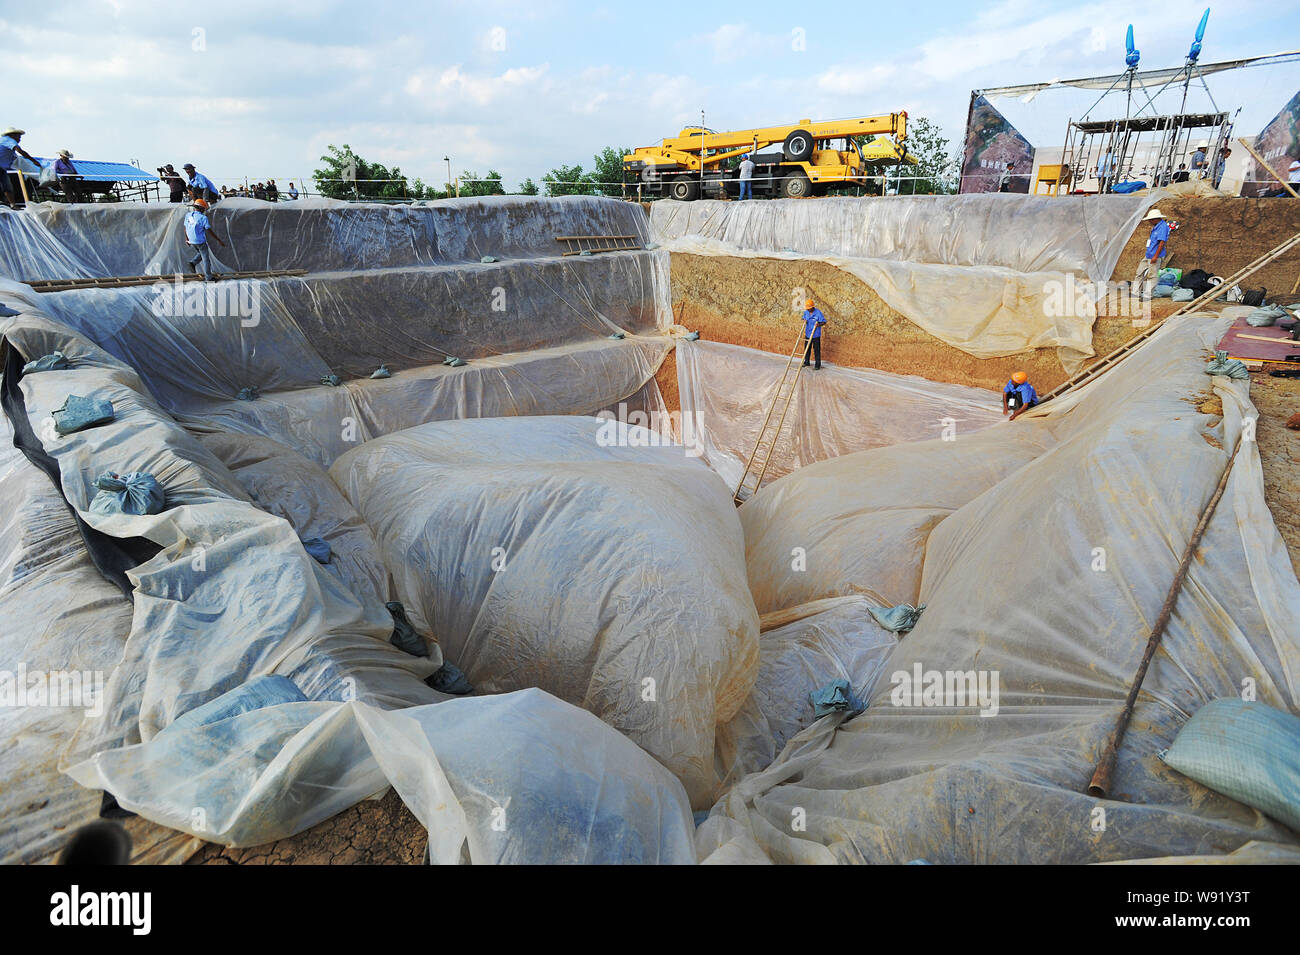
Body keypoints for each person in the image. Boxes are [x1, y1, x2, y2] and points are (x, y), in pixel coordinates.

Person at [184, 198, 226, 281]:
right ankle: (208, 277)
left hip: (191, 241)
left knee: (201, 253)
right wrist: (219, 240)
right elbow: (209, 230)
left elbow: (185, 227)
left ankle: (192, 263)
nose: (204, 210)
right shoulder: (203, 218)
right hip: (200, 241)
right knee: (206, 259)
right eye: (204, 208)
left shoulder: (188, 215)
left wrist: (187, 239)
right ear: (201, 208)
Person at [1132, 208, 1171, 299]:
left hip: (1155, 255)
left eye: (1150, 220)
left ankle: (1148, 295)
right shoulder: (1156, 226)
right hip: (1149, 254)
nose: (1149, 221)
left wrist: (1155, 256)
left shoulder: (1163, 227)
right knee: (1139, 272)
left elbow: (1162, 242)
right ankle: (1135, 292)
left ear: (1155, 219)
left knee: (1152, 276)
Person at [0, 127, 36, 208]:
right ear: (12, 135)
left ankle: (12, 204)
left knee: (6, 186)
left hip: (2, 168)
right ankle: (12, 204)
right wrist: (33, 160)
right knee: (7, 185)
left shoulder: (4, 143)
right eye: (18, 136)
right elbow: (20, 151)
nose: (19, 139)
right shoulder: (8, 140)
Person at [801, 297, 826, 370]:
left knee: (816, 350)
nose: (808, 309)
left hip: (815, 335)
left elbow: (824, 322)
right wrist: (804, 320)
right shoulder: (806, 312)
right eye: (807, 308)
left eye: (809, 308)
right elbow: (803, 318)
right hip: (808, 333)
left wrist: (819, 324)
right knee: (807, 349)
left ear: (812, 307)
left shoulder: (818, 313)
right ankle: (806, 362)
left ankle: (817, 365)